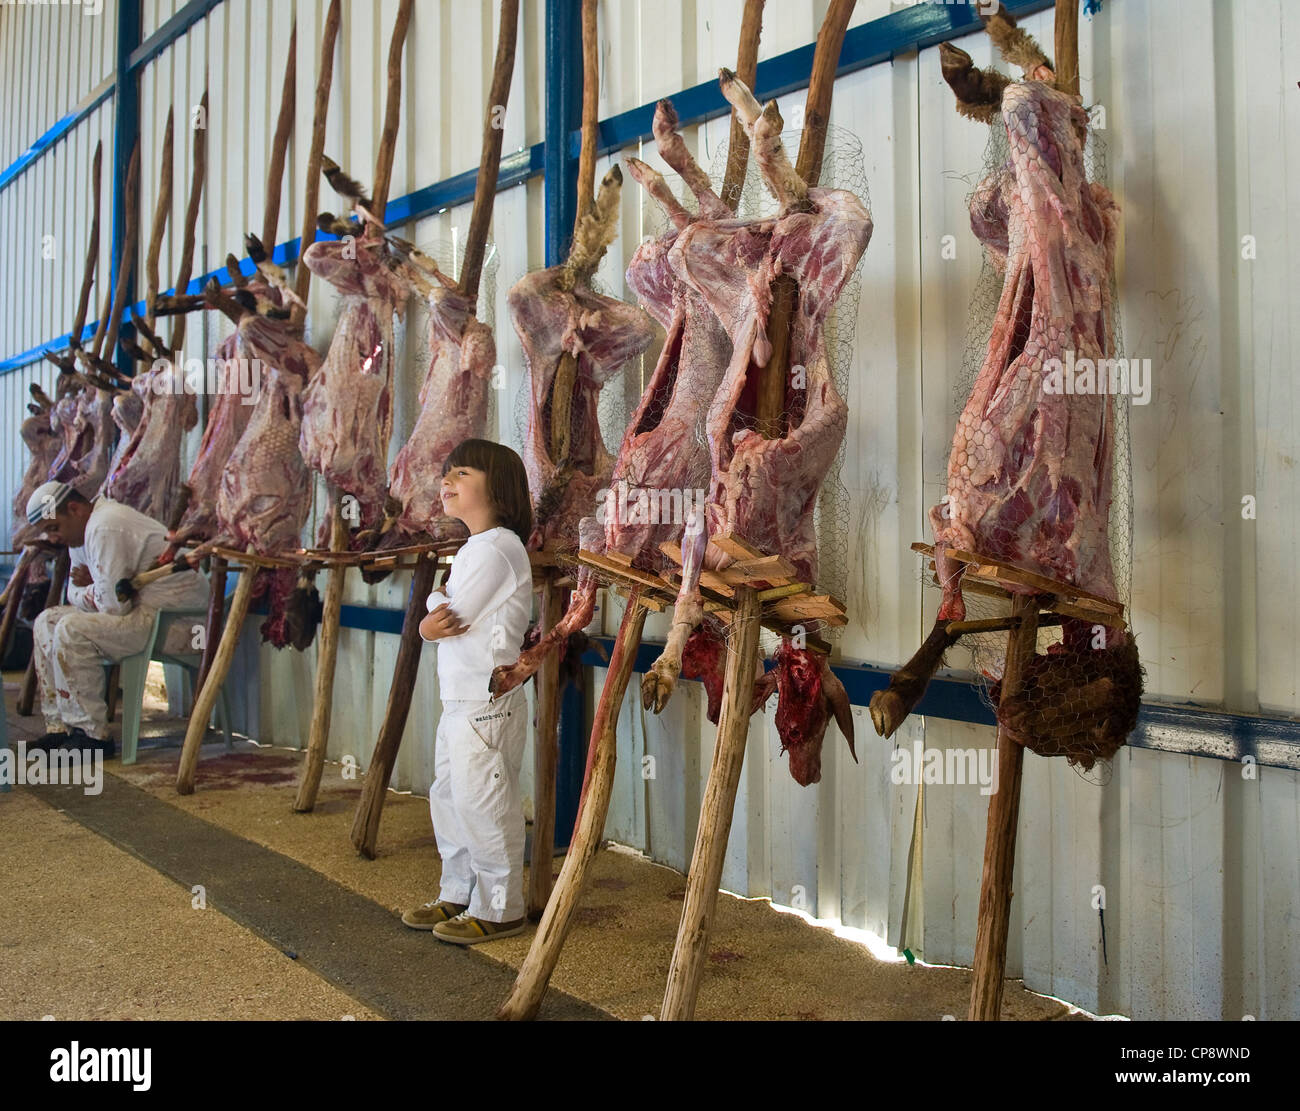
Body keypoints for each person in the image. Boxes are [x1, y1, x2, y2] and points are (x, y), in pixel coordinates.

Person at [401, 439, 534, 944]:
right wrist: (434, 609)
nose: (447, 482)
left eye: (462, 473)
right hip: (461, 703)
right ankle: (458, 893)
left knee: (485, 804)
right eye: (446, 474)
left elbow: (451, 616)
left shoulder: (499, 547)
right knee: (451, 798)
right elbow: (441, 608)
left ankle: (501, 909)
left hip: (486, 706)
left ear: (497, 489)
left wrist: (433, 610)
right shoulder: (475, 550)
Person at [24, 481, 210, 757]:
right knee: (46, 622)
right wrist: (96, 588)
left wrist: (96, 588)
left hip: (182, 625)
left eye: (54, 528)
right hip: (143, 614)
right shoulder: (80, 536)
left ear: (74, 509)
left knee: (71, 628)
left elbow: (112, 606)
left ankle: (92, 737)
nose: (52, 539)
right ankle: (60, 729)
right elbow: (76, 594)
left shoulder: (105, 526)